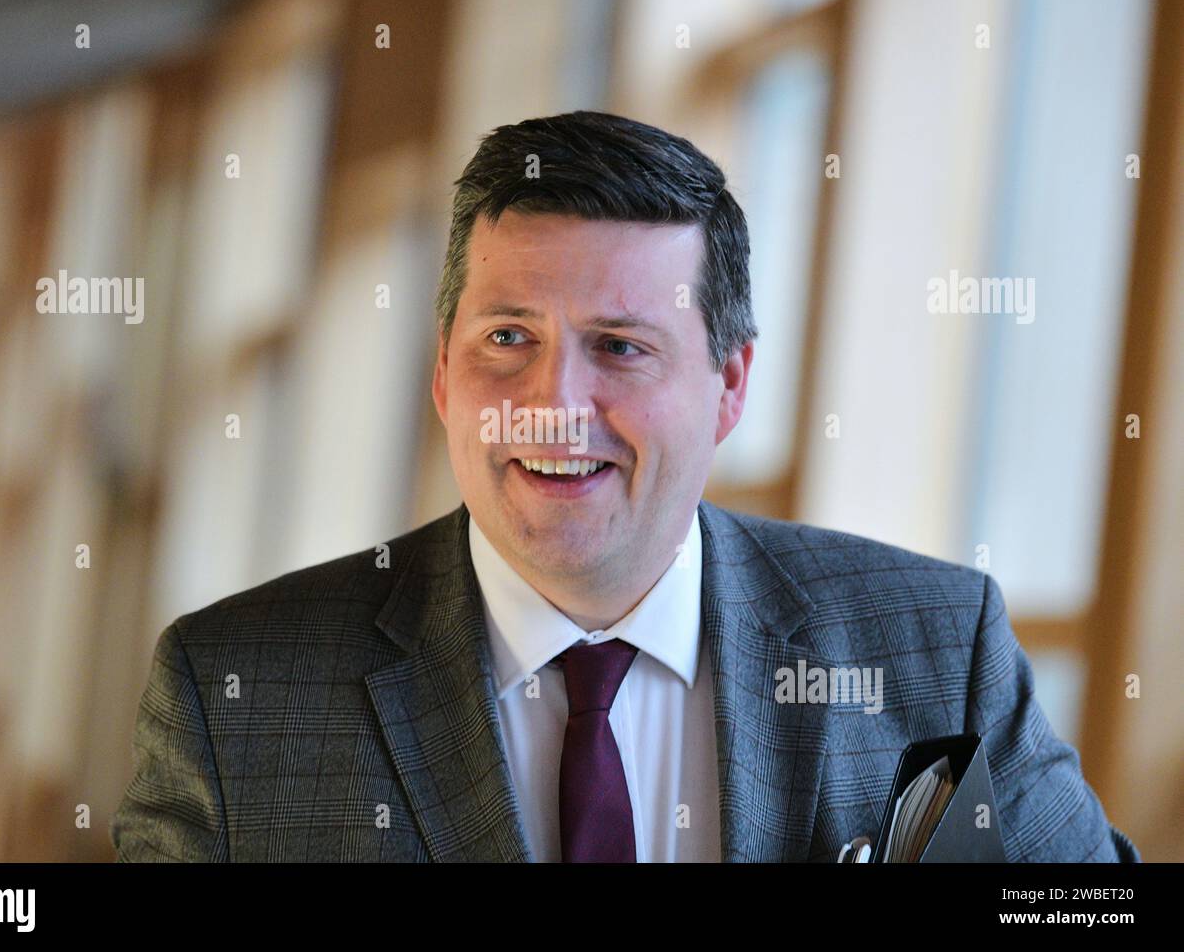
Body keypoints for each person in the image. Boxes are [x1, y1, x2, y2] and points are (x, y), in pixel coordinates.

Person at [110, 110, 1137, 862]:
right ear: (440, 372)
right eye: (507, 338)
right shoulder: (234, 692)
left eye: (619, 347)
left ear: (728, 384)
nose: (553, 403)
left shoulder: (929, 647)